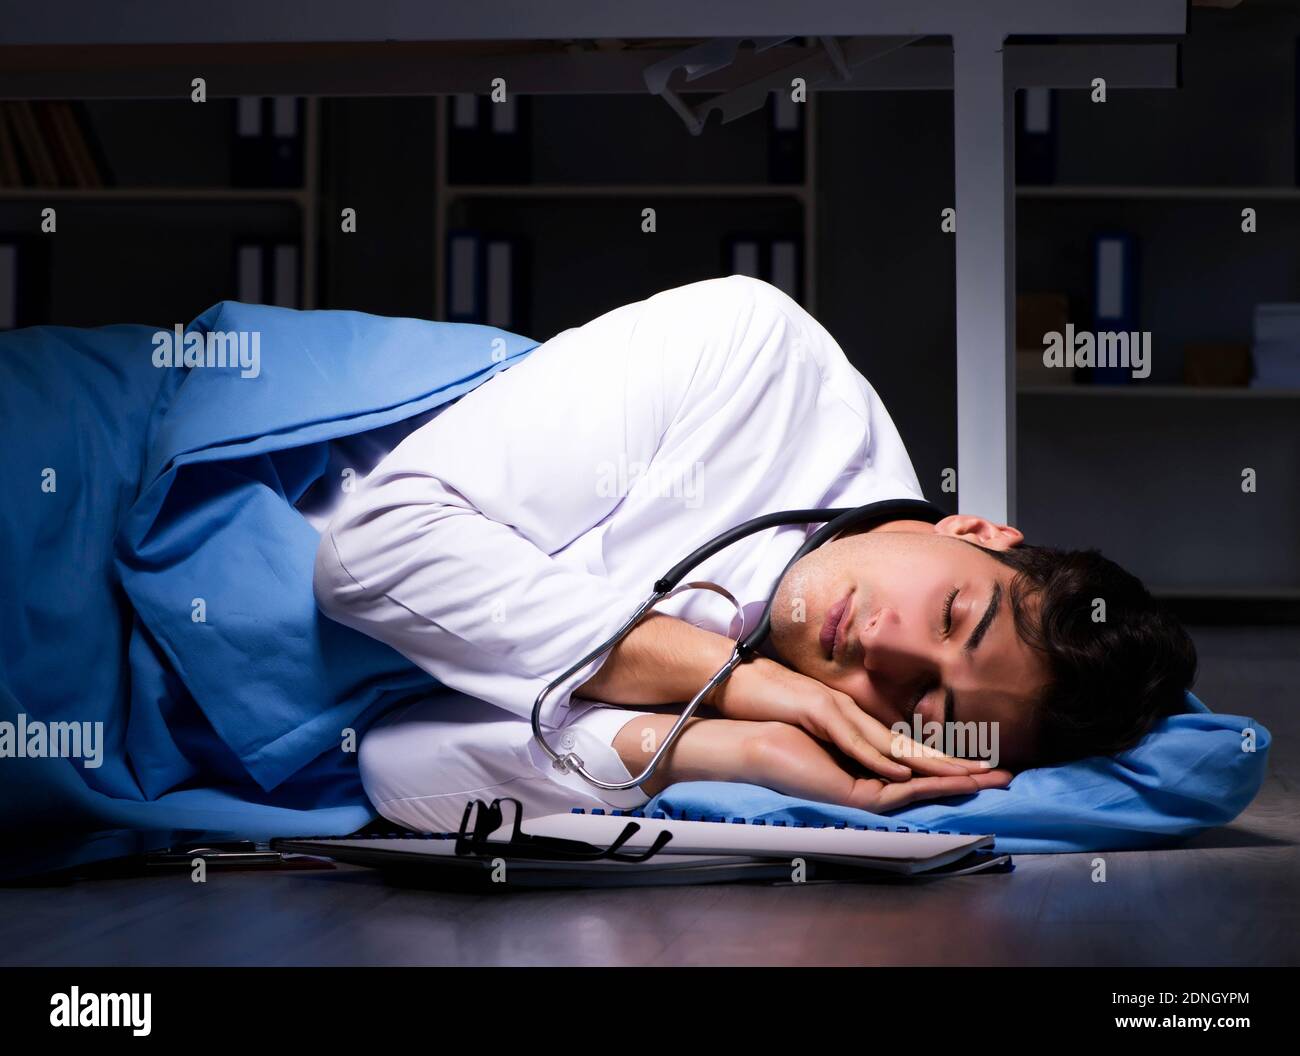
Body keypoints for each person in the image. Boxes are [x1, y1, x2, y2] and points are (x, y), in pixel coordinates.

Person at [311, 275, 1196, 833]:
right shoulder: (756, 353)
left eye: (923, 705)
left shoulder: (798, 739)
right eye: (954, 615)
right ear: (976, 531)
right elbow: (369, 549)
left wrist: (723, 747)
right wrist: (733, 680)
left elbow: (392, 765)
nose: (886, 648)